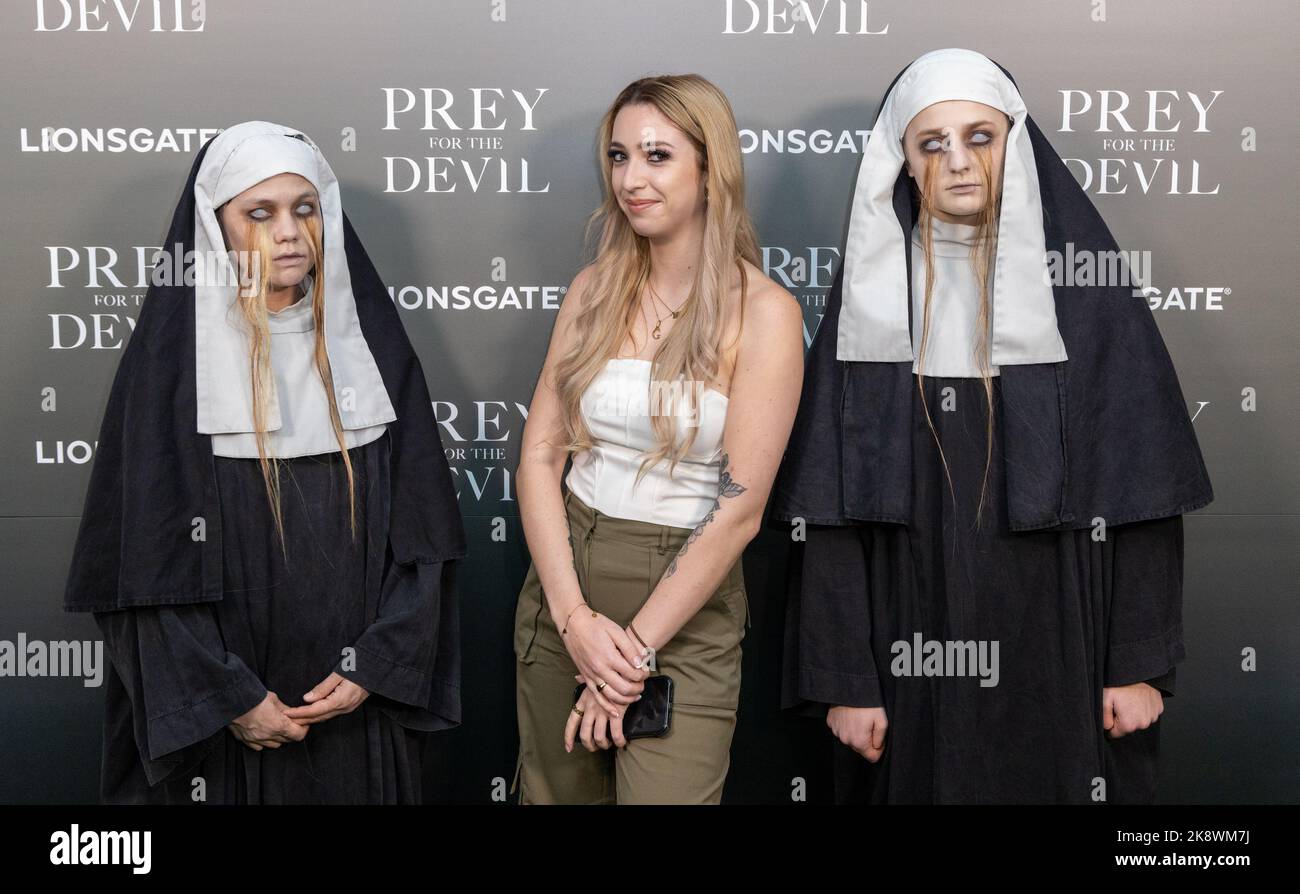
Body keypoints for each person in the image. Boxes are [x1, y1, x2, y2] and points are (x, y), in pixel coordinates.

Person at [771, 49, 1214, 804]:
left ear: (1016, 141)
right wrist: (844, 680)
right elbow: (832, 522)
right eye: (931, 144)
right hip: (907, 635)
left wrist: (1137, 665)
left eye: (980, 136)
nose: (958, 162)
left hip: (1064, 637)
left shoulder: (1088, 294)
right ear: (904, 165)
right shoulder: (871, 309)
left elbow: (1143, 500)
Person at [62, 121, 467, 804]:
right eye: (260, 212)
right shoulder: (166, 378)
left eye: (304, 208)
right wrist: (228, 697)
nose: (288, 231)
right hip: (222, 735)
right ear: (216, 227)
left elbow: (425, 545)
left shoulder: (374, 359)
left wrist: (373, 667)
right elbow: (137, 576)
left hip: (353, 722)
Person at [511, 75, 804, 804]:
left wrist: (630, 658)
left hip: (687, 608)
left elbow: (739, 512)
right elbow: (541, 456)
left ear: (711, 169)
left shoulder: (765, 313)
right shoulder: (592, 290)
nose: (631, 180)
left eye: (657, 156)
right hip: (565, 584)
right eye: (618, 157)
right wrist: (574, 621)